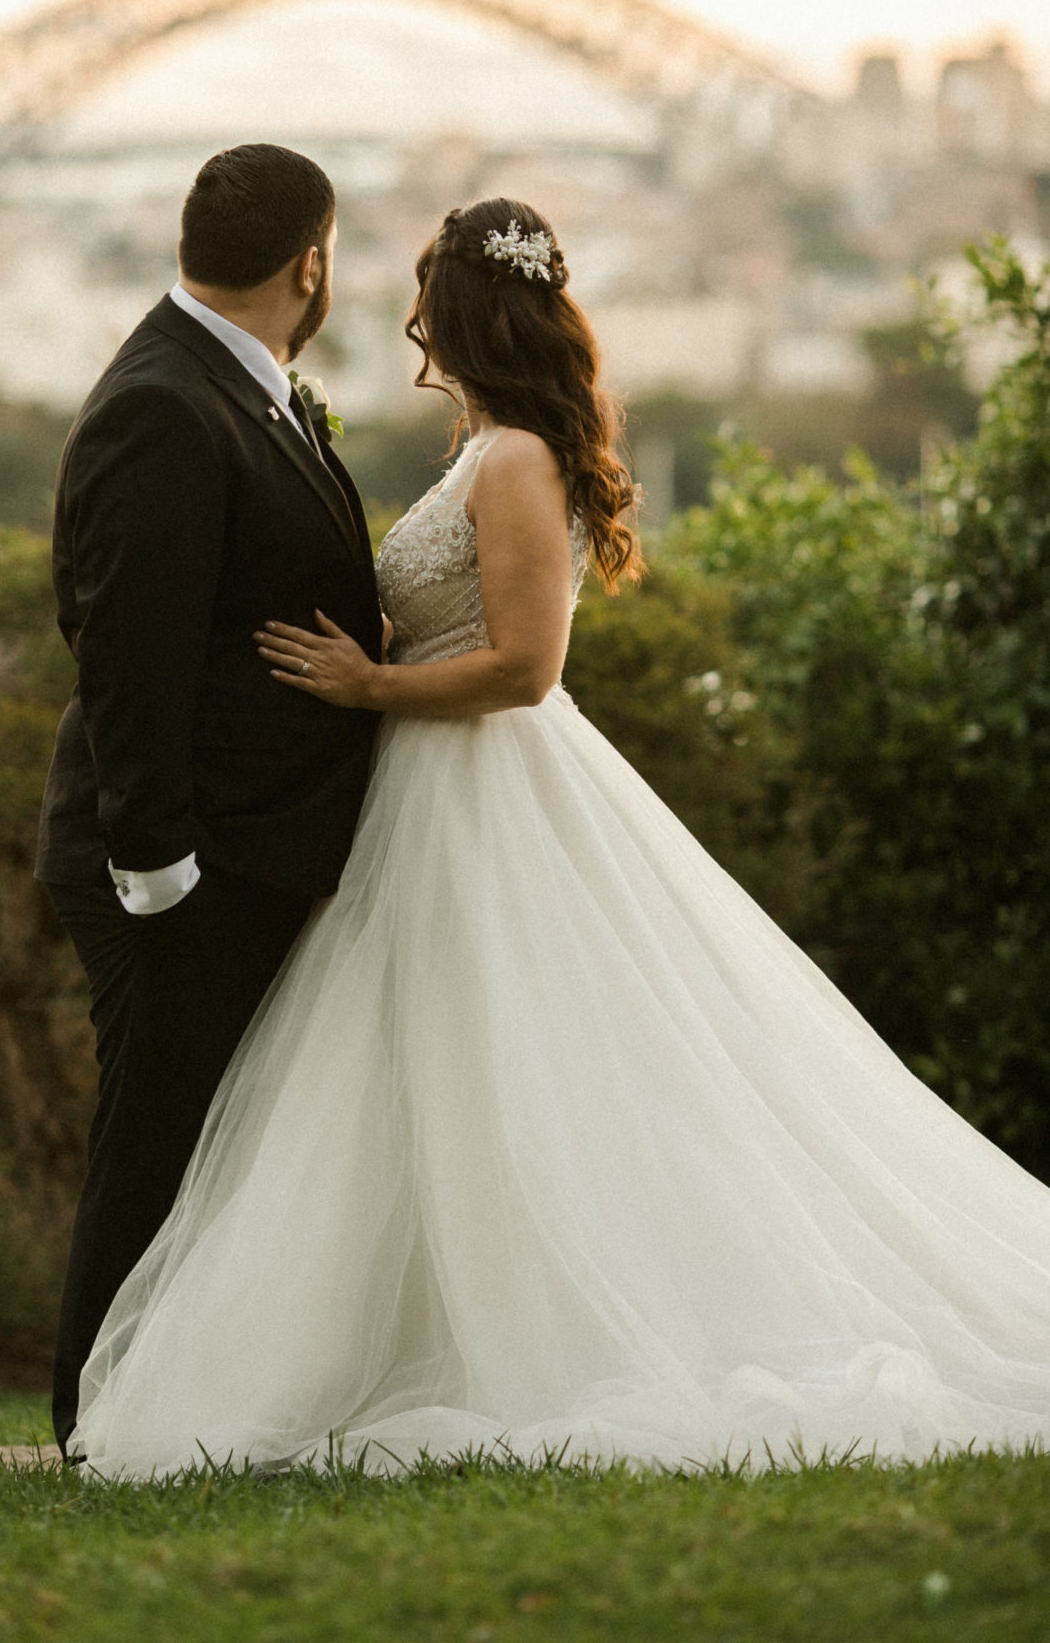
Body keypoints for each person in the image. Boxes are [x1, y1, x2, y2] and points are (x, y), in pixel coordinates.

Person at [69, 197, 1050, 1479]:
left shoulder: (520, 457)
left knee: (509, 1067)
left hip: (486, 791)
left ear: (468, 315)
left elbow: (526, 667)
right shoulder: (485, 448)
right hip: (425, 795)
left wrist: (369, 687)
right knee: (434, 1072)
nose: (411, 325)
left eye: (426, 302)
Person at [36, 144, 383, 1454]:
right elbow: (123, 647)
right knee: (156, 1142)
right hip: (179, 860)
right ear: (311, 262)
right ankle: (97, 1427)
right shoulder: (162, 405)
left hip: (248, 843)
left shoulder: (244, 386)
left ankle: (183, 1406)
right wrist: (158, 867)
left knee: (219, 1138)